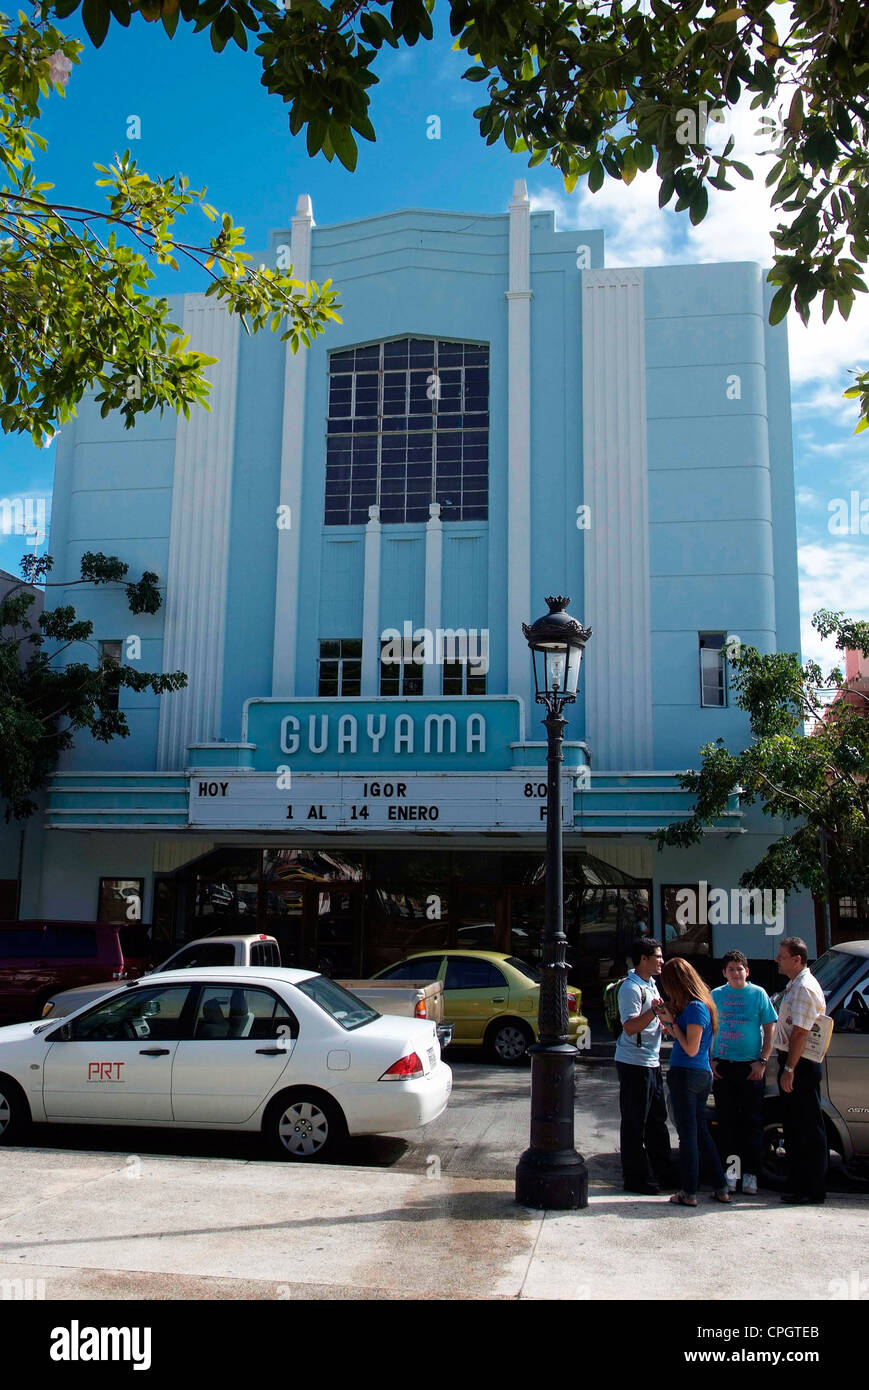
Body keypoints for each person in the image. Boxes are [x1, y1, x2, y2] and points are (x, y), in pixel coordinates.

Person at [657, 957, 730, 1207]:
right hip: (699, 1074)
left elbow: (690, 1047)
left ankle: (689, 1191)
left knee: (687, 1136)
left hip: (687, 1073)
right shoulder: (702, 1005)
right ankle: (720, 1186)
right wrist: (673, 1023)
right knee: (700, 1133)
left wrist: (673, 1025)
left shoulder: (696, 1008)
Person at [711, 949, 777, 1195]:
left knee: (751, 1124)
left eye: (740, 969)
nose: (736, 973)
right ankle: (731, 1174)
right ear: (724, 973)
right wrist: (712, 1061)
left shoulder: (758, 994)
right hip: (723, 1066)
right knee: (727, 1125)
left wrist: (762, 1061)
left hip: (751, 1068)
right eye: (731, 969)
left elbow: (770, 1032)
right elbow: (708, 1029)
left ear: (747, 971)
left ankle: (750, 1175)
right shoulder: (716, 995)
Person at [614, 937, 673, 1195]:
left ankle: (664, 1173)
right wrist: (653, 1012)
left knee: (656, 1120)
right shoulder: (630, 988)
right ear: (644, 959)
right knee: (635, 1122)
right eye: (658, 957)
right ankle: (636, 1178)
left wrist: (662, 1024)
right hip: (634, 1063)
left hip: (651, 1060)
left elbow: (650, 1021)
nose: (662, 961)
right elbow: (629, 1027)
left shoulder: (651, 984)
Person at [773, 936, 827, 1205]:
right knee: (795, 1127)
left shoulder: (804, 987)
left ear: (797, 959)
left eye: (782, 956)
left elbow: (800, 1033)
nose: (777, 960)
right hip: (793, 1060)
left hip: (801, 1063)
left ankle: (811, 1188)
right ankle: (798, 1184)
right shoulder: (794, 984)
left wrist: (790, 1068)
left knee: (807, 1128)